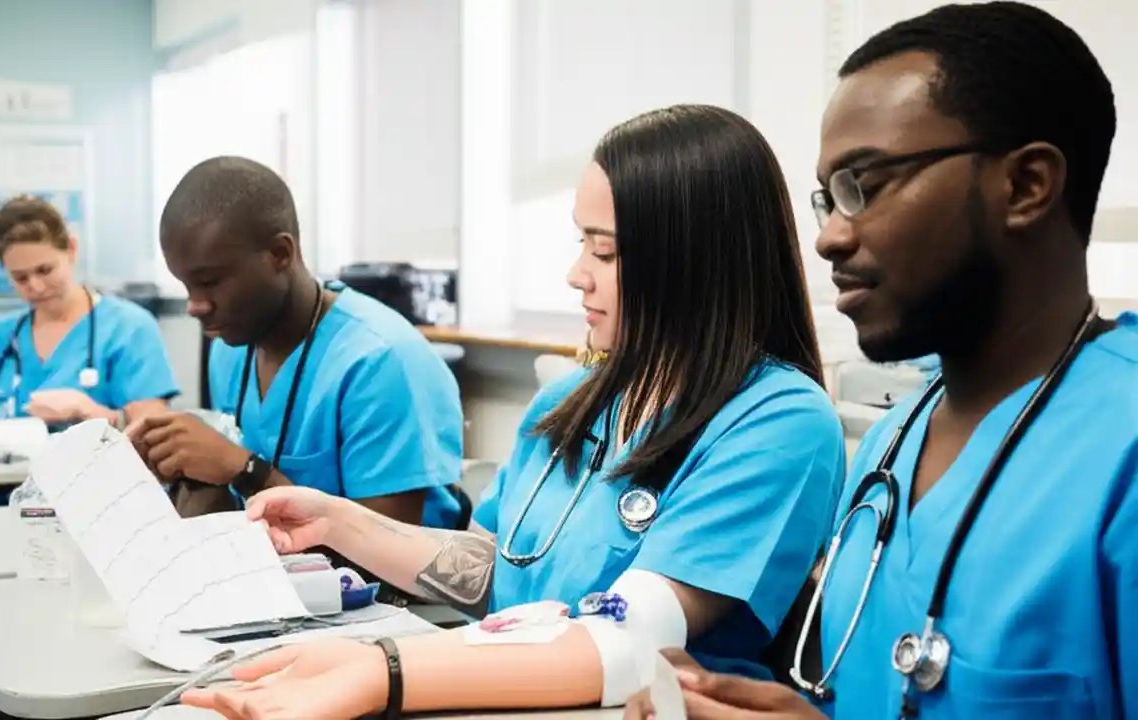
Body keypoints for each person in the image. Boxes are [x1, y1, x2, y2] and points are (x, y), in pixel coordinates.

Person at [181, 105, 846, 719]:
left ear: (695, 262)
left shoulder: (777, 423)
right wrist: (339, 521)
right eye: (581, 243)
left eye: (604, 250)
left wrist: (381, 669)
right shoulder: (571, 401)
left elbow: (631, 638)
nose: (576, 273)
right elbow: (493, 564)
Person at [632, 3, 1137, 719]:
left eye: (864, 186)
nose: (831, 238)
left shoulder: (1123, 450)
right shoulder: (890, 445)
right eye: (828, 198)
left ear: (1026, 186)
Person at [132, 156, 464, 529]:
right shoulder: (230, 346)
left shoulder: (381, 360)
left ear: (280, 254)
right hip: (274, 572)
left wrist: (245, 470)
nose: (195, 306)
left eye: (209, 282)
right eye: (185, 285)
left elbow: (391, 552)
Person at [0, 195, 179, 427]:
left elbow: (153, 428)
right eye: (21, 278)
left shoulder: (128, 329)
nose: (36, 287)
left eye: (45, 270)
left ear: (71, 249)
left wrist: (88, 411)